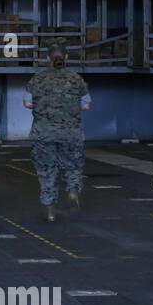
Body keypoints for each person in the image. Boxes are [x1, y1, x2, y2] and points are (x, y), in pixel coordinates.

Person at [25, 41, 92, 222]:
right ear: (66, 57)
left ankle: (50, 211)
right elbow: (86, 105)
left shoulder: (37, 79)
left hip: (44, 133)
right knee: (73, 167)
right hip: (71, 133)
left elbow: (27, 103)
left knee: (47, 171)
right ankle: (71, 193)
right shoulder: (76, 79)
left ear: (48, 58)